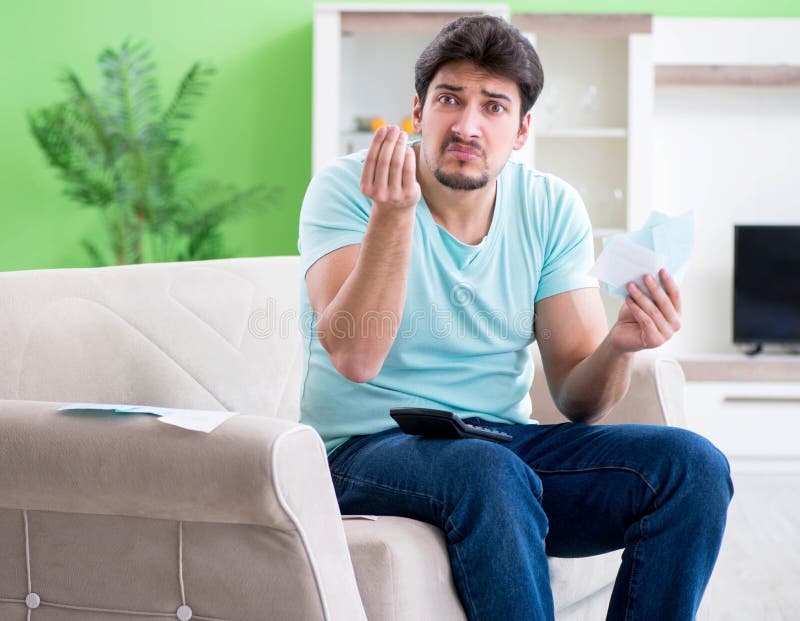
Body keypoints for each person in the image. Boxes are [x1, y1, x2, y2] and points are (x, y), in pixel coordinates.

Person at [298, 15, 732, 621]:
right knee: (489, 471)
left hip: (496, 442)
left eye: (494, 107)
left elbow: (579, 398)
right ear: (418, 112)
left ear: (523, 128)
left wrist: (621, 345)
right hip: (362, 452)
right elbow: (355, 357)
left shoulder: (551, 208)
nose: (468, 125)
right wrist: (394, 216)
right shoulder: (350, 189)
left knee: (694, 468)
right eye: (450, 99)